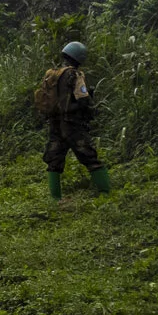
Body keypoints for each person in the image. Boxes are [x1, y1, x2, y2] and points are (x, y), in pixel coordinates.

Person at [36, 40, 111, 198]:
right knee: (89, 156)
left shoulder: (52, 74)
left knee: (54, 161)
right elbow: (82, 99)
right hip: (72, 124)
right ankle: (106, 193)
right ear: (79, 58)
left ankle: (55, 199)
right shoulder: (74, 74)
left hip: (55, 123)